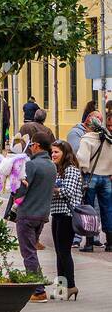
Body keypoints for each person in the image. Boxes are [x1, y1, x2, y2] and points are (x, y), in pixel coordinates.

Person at [13, 129, 56, 302]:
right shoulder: (51, 165)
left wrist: (14, 186)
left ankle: (38, 291)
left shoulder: (31, 165)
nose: (29, 148)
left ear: (36, 145)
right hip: (42, 215)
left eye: (31, 145)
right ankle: (38, 286)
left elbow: (21, 190)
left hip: (27, 214)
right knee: (32, 251)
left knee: (28, 252)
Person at [50, 139, 83, 300]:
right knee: (59, 253)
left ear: (65, 153)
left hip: (67, 215)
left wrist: (51, 189)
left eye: (56, 152)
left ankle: (70, 286)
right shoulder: (58, 170)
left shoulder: (71, 170)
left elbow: (67, 192)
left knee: (64, 252)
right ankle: (62, 287)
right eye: (52, 152)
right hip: (57, 214)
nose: (53, 155)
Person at [76, 113, 112, 252]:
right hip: (107, 177)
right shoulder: (107, 139)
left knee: (89, 210)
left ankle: (89, 243)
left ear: (88, 127)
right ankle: (110, 242)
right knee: (108, 209)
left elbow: (82, 160)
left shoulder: (86, 139)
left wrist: (82, 171)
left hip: (90, 177)